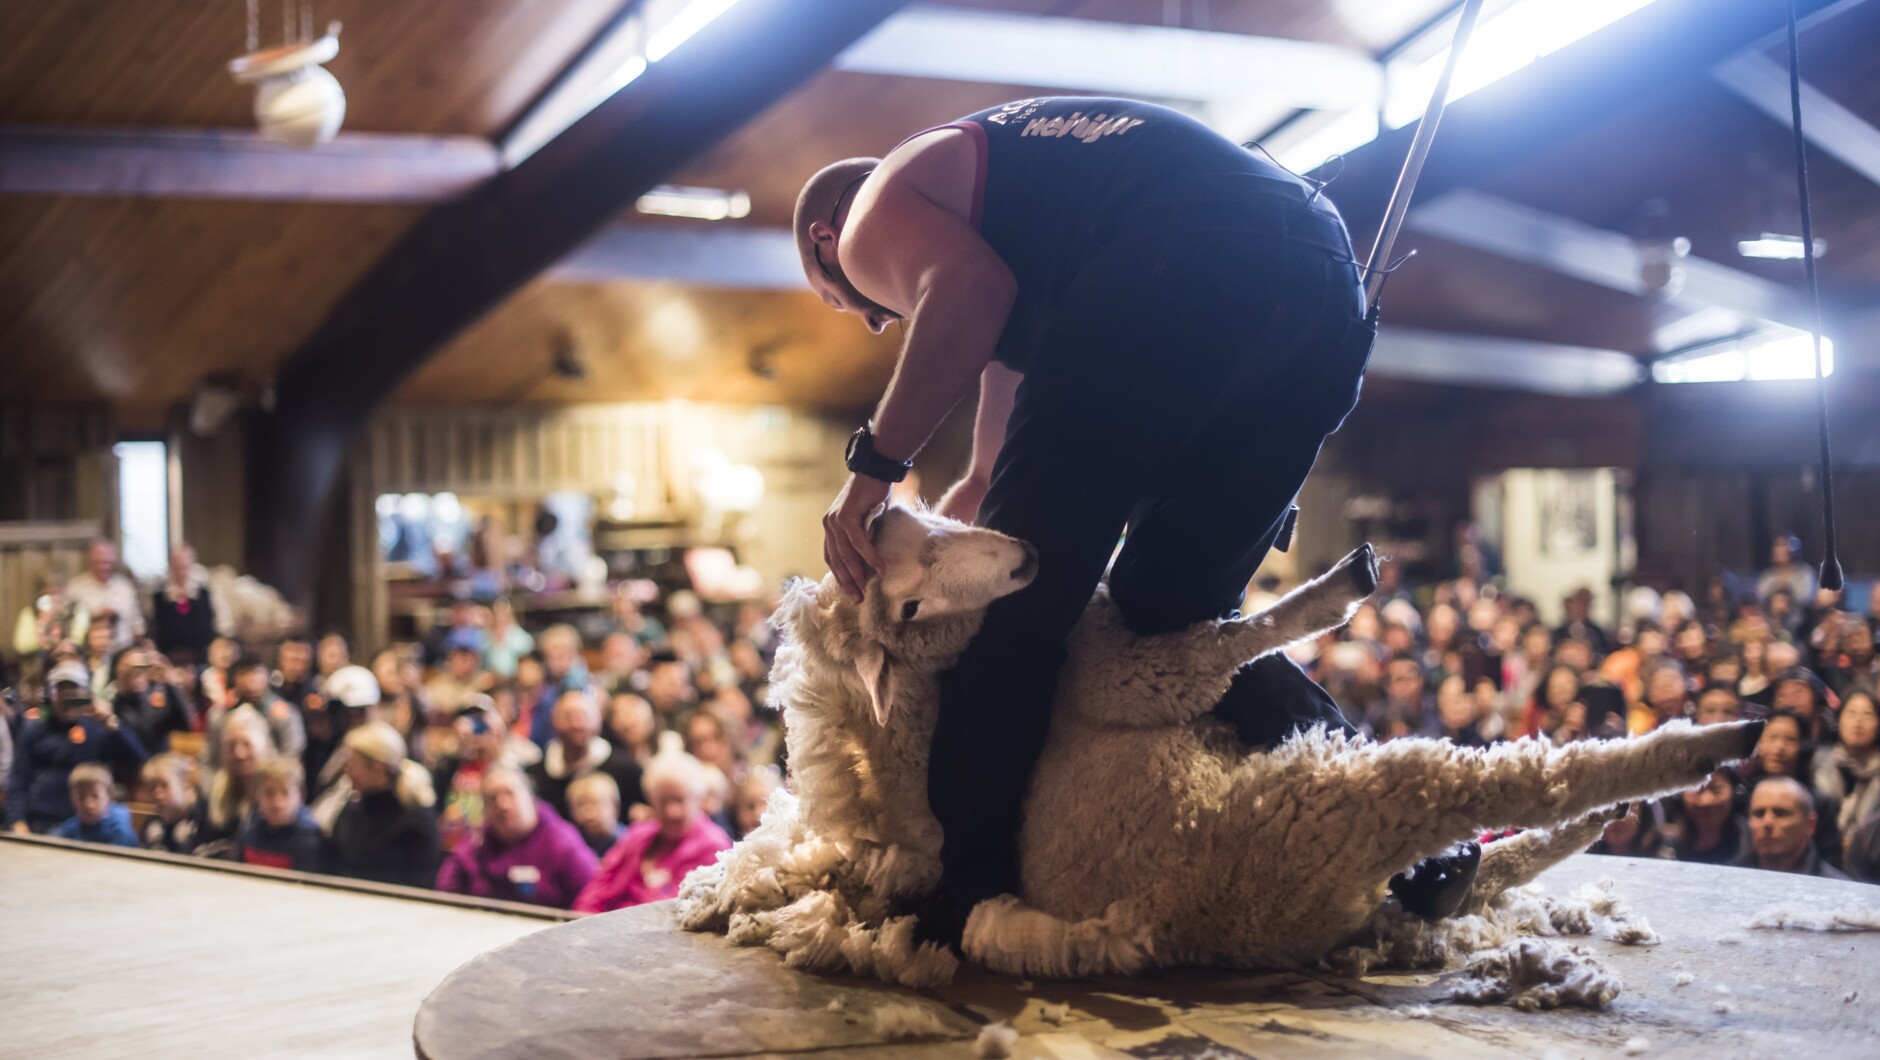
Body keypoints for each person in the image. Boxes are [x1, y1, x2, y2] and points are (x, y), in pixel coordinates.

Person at [805, 98, 1404, 932]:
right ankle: (1405, 833)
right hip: (1318, 280)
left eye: (850, 303)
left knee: (1014, 623)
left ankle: (964, 900)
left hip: (1175, 267)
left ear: (825, 244)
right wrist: (957, 513)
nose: (877, 319)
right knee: (1175, 620)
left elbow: (967, 295)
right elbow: (998, 417)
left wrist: (868, 476)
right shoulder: (1029, 201)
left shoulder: (872, 211)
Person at [574, 739, 730, 913]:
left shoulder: (713, 846)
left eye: (679, 800)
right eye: (664, 801)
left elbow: (673, 912)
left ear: (697, 799)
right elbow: (598, 887)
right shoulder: (638, 834)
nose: (672, 811)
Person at [7, 661, 147, 833]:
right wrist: (17, 821)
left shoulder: (99, 729)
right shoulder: (35, 730)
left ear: (85, 695)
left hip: (85, 823)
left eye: (73, 692)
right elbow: (17, 780)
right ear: (51, 695)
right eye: (60, 691)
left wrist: (112, 723)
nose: (67, 698)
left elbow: (139, 760)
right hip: (39, 819)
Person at [436, 766, 596, 909]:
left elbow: (591, 898)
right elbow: (447, 888)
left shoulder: (562, 843)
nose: (502, 805)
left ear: (531, 798)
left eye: (510, 794)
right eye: (492, 798)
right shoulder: (478, 841)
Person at [323, 722, 440, 888]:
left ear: (378, 768)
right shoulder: (352, 808)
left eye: (352, 765)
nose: (346, 772)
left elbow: (421, 882)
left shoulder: (416, 818)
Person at [527, 689, 644, 822]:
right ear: (553, 721)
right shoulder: (537, 774)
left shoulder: (626, 769)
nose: (577, 724)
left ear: (599, 720)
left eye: (584, 716)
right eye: (568, 717)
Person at [1735, 776, 1848, 879]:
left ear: (1810, 825)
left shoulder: (1839, 890)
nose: (1767, 823)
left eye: (1781, 813)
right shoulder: (1730, 878)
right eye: (1759, 814)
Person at [234, 756, 323, 872]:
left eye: (285, 793)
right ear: (257, 795)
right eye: (269, 793)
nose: (278, 803)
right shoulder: (249, 828)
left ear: (301, 795)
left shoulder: (310, 838)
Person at [1813, 685, 1879, 842]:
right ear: (1839, 719)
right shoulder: (1817, 763)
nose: (1858, 722)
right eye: (1851, 713)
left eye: (1867, 714)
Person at [111, 645, 193, 755]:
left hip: (160, 763)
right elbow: (139, 730)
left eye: (142, 669)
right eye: (130, 669)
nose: (137, 673)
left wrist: (170, 684)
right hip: (129, 765)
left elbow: (187, 723)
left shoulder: (158, 693)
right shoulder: (115, 701)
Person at [65, 540, 143, 651]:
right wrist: (96, 616)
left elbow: (137, 625)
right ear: (90, 561)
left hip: (122, 651)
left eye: (108, 562)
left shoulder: (125, 586)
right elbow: (69, 626)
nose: (104, 567)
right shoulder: (76, 588)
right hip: (87, 652)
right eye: (99, 562)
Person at [150, 544, 221, 665]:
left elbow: (218, 621)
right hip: (168, 656)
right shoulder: (159, 595)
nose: (181, 572)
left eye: (184, 567)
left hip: (201, 655)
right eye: (177, 568)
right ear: (171, 566)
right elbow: (154, 628)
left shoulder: (204, 591)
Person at [52, 762, 137, 846]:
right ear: (72, 798)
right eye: (81, 797)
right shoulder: (68, 829)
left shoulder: (120, 833)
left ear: (109, 798)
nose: (88, 805)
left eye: (95, 797)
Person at [139, 752, 206, 854]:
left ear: (185, 784)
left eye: (164, 785)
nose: (157, 794)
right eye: (152, 787)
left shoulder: (203, 821)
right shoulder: (152, 823)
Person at [566, 772, 628, 858]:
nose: (588, 814)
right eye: (580, 805)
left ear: (614, 806)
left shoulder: (628, 843)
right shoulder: (574, 845)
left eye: (595, 804)